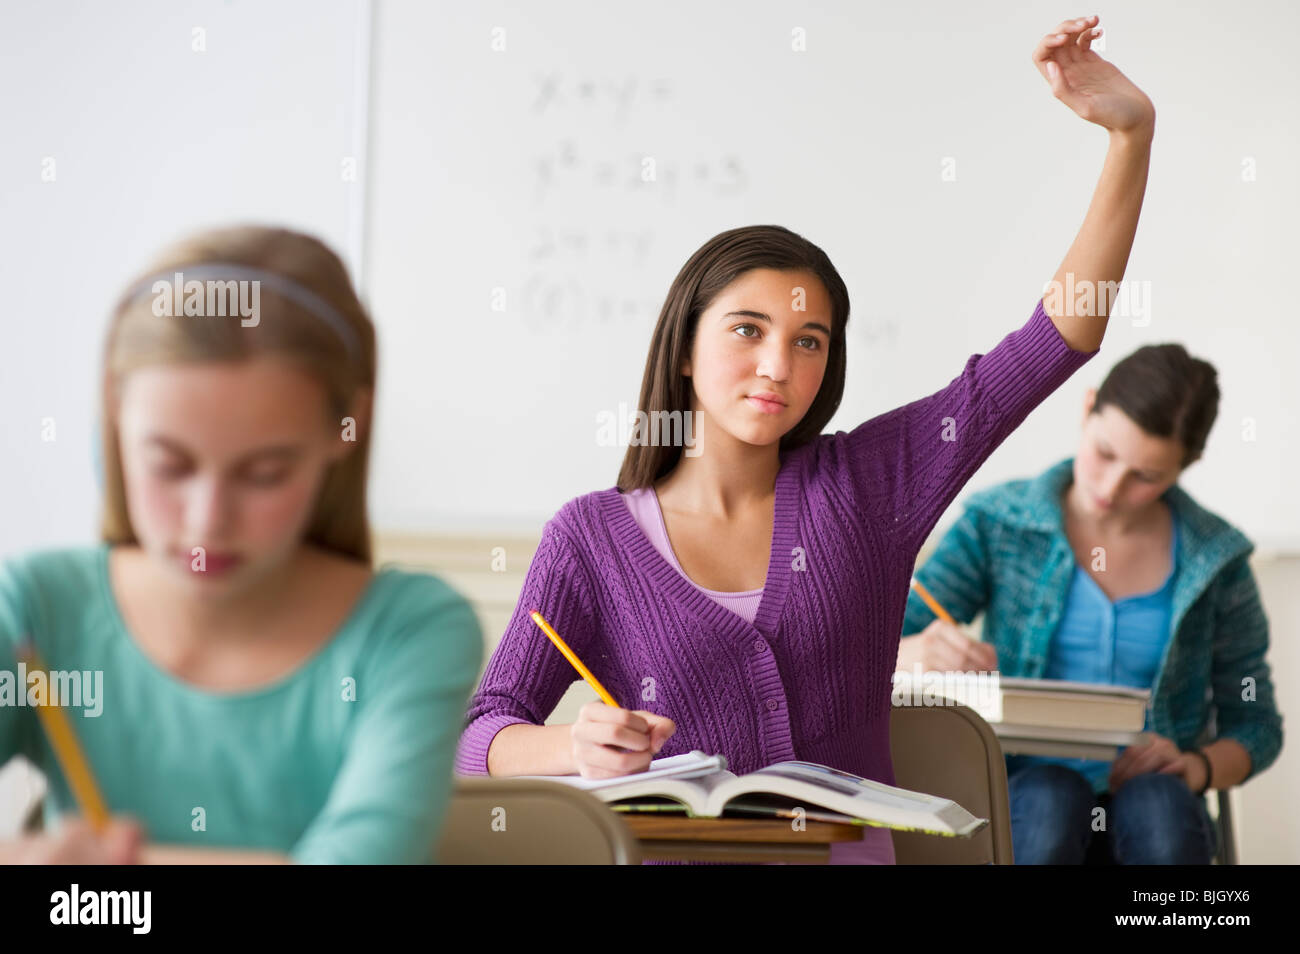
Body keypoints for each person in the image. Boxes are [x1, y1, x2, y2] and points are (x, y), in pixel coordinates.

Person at [458, 15, 1156, 864]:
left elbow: (1055, 343)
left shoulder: (870, 484)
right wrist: (573, 747)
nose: (778, 366)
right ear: (684, 348)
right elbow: (481, 732)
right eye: (747, 331)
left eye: (808, 341)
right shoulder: (591, 537)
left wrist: (1129, 138)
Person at [0, 225, 482, 863]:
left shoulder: (412, 630)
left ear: (349, 426)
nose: (206, 523)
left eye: (264, 474)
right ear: (114, 411)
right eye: (170, 465)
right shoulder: (33, 605)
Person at [898, 344, 1284, 863]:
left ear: (1185, 467)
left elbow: (1255, 724)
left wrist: (1195, 767)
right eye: (1105, 452)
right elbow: (874, 642)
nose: (1110, 486)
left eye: (1146, 476)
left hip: (1156, 809)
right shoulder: (998, 523)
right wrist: (911, 653)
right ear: (1086, 409)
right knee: (1049, 800)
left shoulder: (1218, 561)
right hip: (1025, 799)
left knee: (1160, 808)